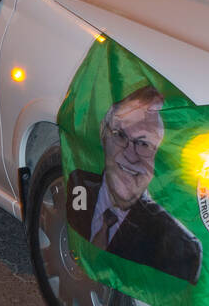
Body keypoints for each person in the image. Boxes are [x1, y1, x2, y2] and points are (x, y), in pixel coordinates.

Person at [65, 87, 202, 283]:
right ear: (104, 134)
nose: (130, 154)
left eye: (144, 144)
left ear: (158, 159)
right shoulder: (75, 185)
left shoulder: (179, 248)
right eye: (120, 135)